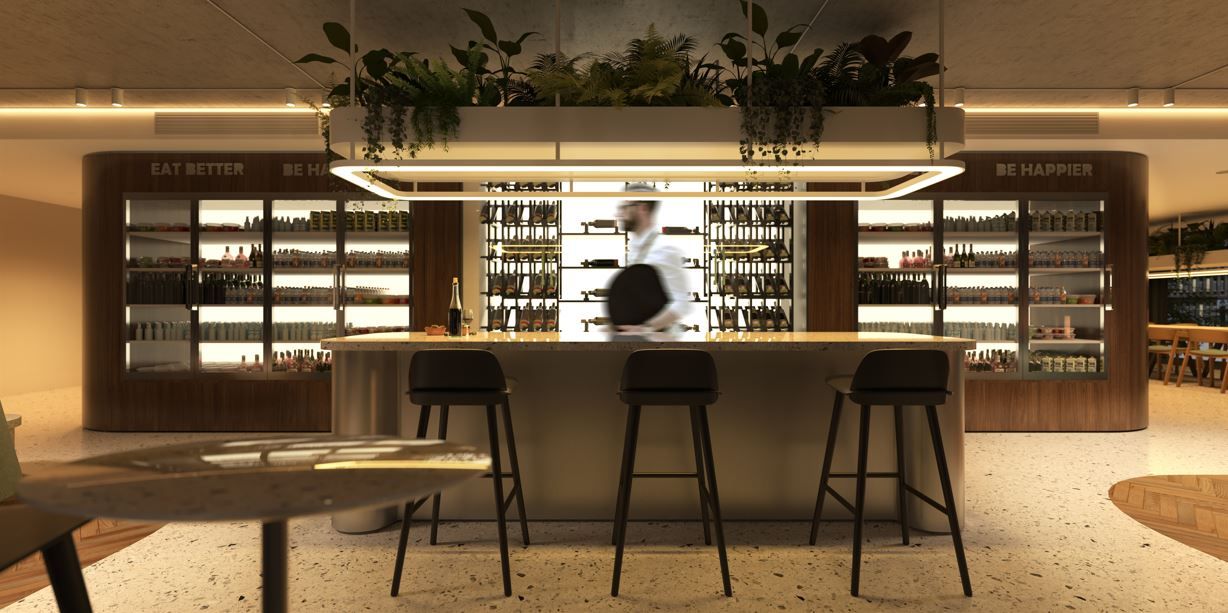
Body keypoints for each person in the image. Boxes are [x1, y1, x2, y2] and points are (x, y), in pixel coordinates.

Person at [607, 183, 692, 333]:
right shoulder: (636, 247)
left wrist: (646, 328)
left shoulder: (663, 250)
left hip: (659, 342)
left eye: (624, 207)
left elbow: (682, 304)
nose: (618, 214)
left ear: (643, 208)